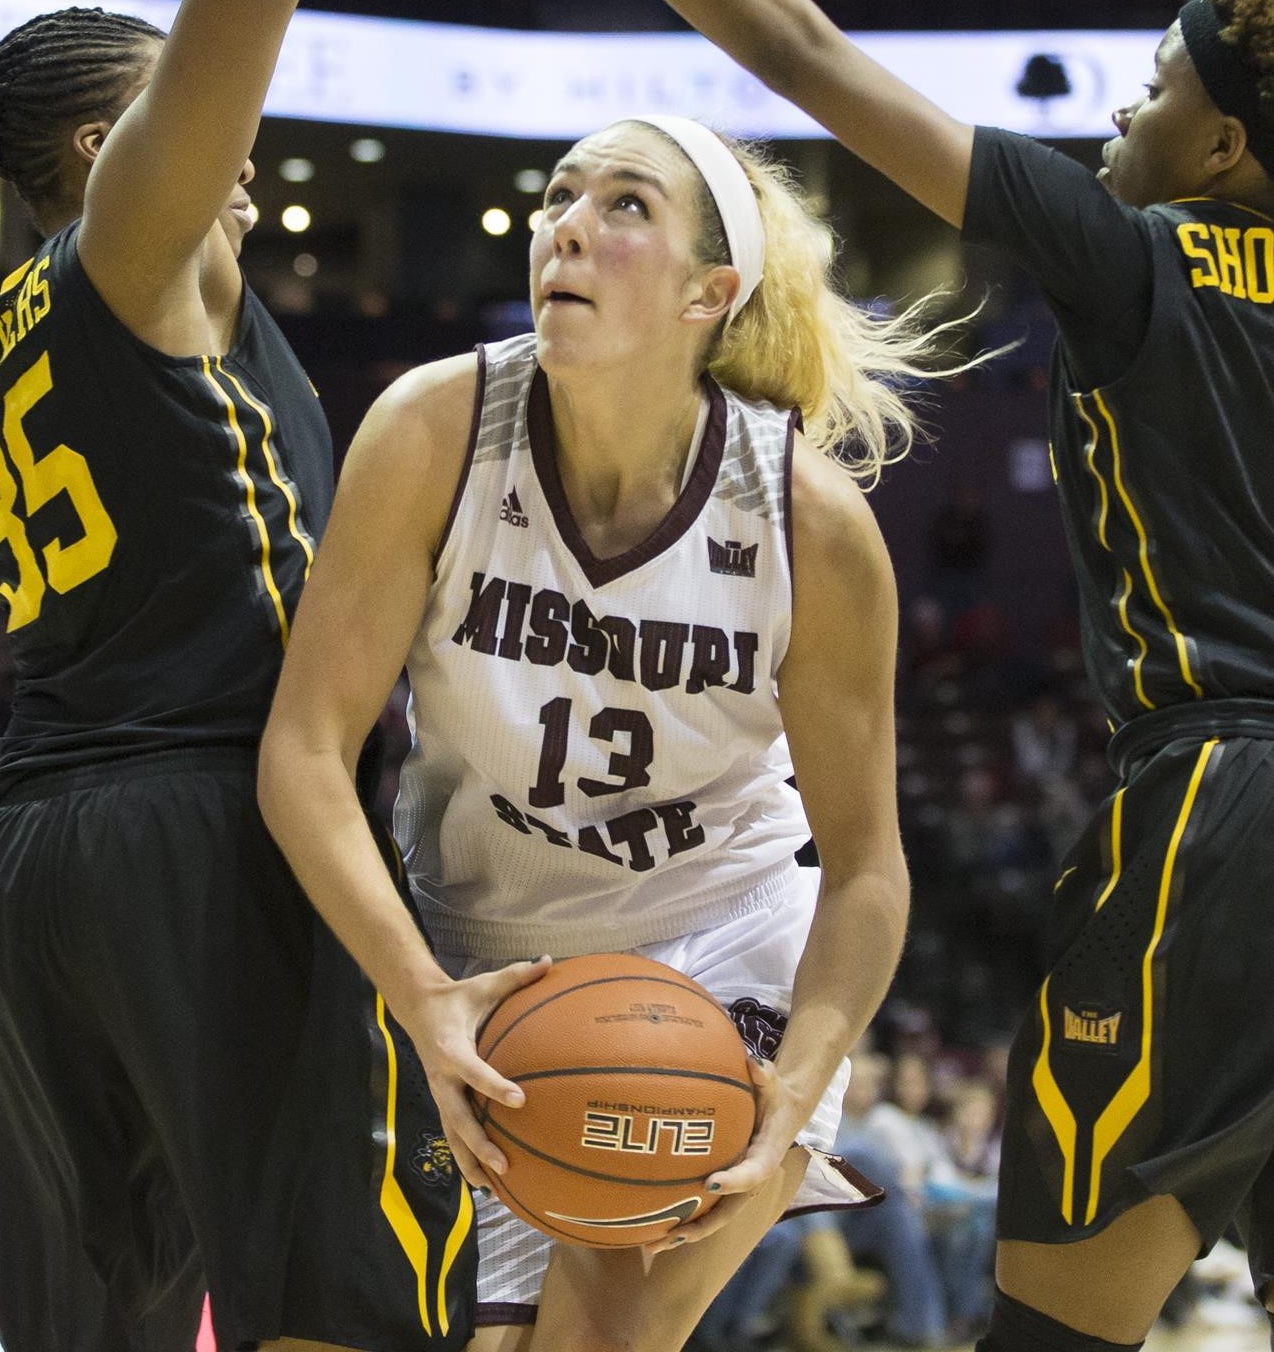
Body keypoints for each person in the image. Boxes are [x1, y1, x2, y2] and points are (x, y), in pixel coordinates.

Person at [667, 3, 1274, 1350]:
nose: (1122, 114)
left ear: (1220, 142)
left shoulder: (1127, 258)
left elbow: (804, 53)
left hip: (1230, 801)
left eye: (1153, 89)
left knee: (1053, 1335)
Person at [263, 112, 950, 1351]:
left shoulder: (809, 519)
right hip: (472, 953)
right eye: (558, 199)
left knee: (607, 1324)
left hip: (718, 943)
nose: (566, 226)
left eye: (625, 205)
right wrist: (422, 996)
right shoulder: (434, 429)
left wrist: (790, 1094)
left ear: (710, 292)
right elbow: (304, 752)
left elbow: (868, 874)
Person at [0, 4, 466, 1346]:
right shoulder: (131, 256)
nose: (247, 147)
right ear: (110, 146)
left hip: (30, 861)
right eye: (191, 116)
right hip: (206, 834)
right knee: (344, 1311)